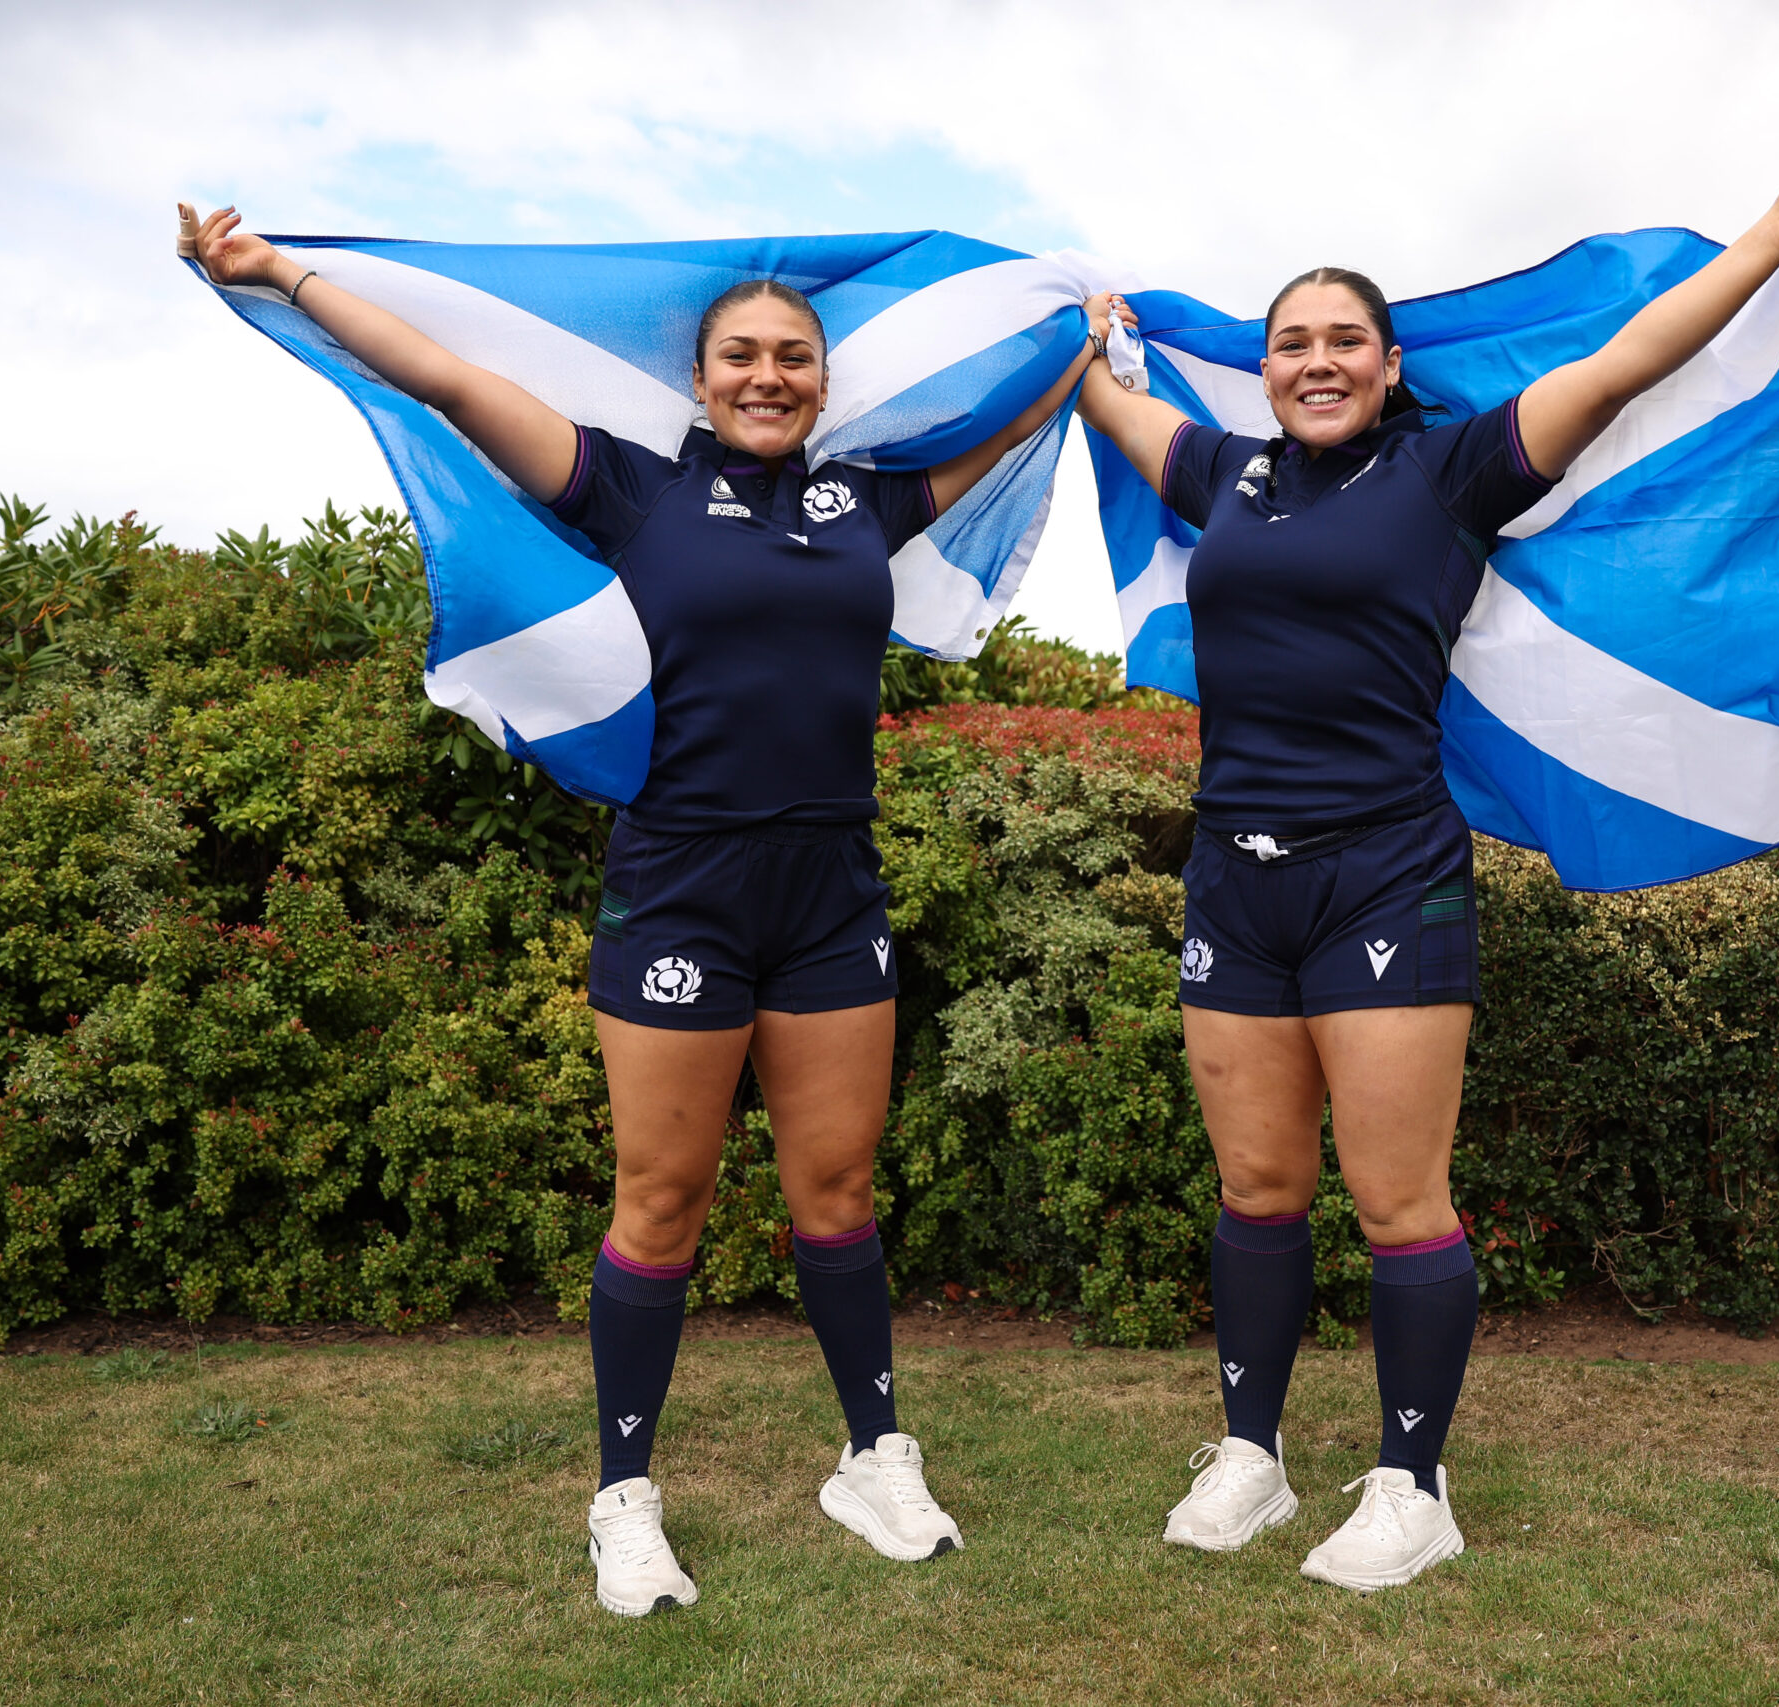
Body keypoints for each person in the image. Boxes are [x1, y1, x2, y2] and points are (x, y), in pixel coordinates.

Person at [182, 204, 1109, 1616]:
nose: (768, 377)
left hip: (831, 893)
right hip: (682, 889)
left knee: (837, 1195)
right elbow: (441, 375)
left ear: (820, 380)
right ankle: (624, 1494)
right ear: (699, 377)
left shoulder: (866, 504)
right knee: (663, 1200)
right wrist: (282, 273)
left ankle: (873, 1457)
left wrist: (1077, 346)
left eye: (793, 359)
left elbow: (1001, 431)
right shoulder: (635, 492)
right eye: (740, 356)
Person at [1075, 166, 1779, 1592]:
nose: (1316, 362)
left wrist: (1769, 239)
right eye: (1291, 345)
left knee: (1398, 1202)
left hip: (1385, 876)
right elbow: (1108, 398)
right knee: (1257, 1190)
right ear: (1263, 372)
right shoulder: (1224, 476)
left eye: (1343, 343)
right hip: (1234, 882)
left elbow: (1629, 360)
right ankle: (1251, 1459)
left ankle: (1411, 1484)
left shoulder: (1454, 473)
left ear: (1388, 368)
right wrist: (1077, 333)